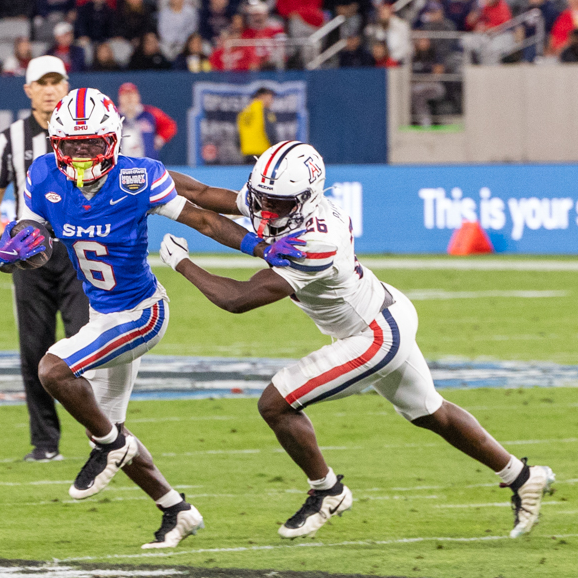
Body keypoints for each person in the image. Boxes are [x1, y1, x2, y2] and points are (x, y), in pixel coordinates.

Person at [161, 141, 556, 540]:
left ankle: (327, 490)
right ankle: (523, 476)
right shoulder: (277, 196)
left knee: (276, 404)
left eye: (276, 204)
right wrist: (140, 174)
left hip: (373, 334)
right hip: (381, 310)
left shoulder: (316, 240)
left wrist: (183, 263)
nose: (264, 210)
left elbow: (238, 299)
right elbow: (201, 195)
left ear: (306, 198)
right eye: (261, 198)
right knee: (429, 412)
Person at [0, 86, 299, 549]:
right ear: (55, 145)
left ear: (113, 141)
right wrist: (20, 245)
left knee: (53, 370)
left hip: (141, 313)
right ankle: (176, 510)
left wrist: (259, 247)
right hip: (102, 316)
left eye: (90, 144)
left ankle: (111, 446)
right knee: (108, 426)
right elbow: (37, 237)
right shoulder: (42, 175)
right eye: (71, 146)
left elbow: (203, 219)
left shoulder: (138, 178)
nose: (79, 156)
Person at [0, 56, 89, 463]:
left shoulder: (88, 131)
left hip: (80, 251)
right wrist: (0, 236)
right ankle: (45, 444)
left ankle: (103, 437)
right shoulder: (10, 138)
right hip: (31, 255)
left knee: (88, 345)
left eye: (55, 81)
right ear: (28, 90)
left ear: (66, 85)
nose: (49, 89)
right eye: (40, 83)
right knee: (34, 348)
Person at [117, 82, 177, 159]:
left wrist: (159, 140)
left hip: (146, 163)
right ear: (120, 98)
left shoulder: (149, 114)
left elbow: (170, 125)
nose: (129, 98)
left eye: (132, 94)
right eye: (125, 95)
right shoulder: (114, 115)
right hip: (121, 162)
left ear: (138, 96)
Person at [237, 87, 278, 162]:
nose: (272, 101)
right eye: (270, 97)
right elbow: (270, 132)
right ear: (262, 96)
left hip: (247, 153)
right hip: (262, 152)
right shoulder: (264, 111)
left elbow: (238, 135)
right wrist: (277, 149)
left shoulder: (244, 112)